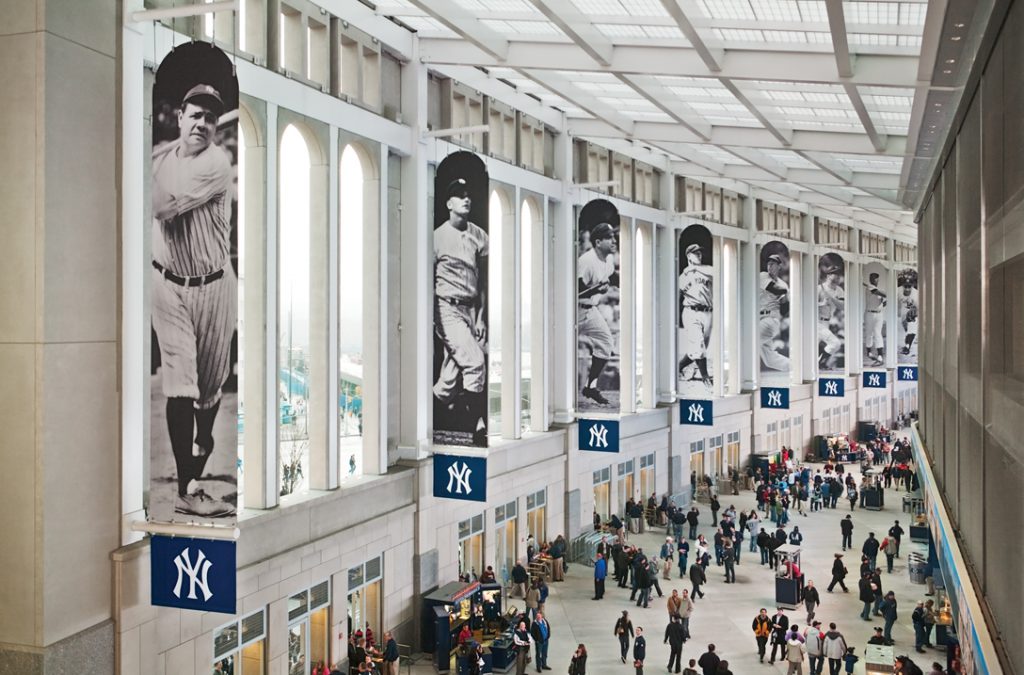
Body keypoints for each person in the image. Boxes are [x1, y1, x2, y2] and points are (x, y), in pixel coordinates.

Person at [152, 83, 238, 518]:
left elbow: (164, 206)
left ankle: (203, 440)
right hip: (166, 284)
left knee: (209, 388)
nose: (202, 123)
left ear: (216, 126)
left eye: (211, 117)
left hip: (214, 286)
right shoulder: (161, 160)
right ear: (180, 117)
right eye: (196, 114)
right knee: (180, 382)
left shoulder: (216, 163)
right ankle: (188, 488)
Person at [433, 177, 489, 445]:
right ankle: (477, 426)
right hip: (447, 308)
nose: (466, 199)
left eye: (468, 195)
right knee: (475, 362)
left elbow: (484, 281)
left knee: (449, 381)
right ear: (449, 203)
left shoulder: (479, 235)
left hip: (470, 308)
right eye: (459, 195)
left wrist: (481, 317)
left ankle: (430, 411)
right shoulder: (437, 237)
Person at [577, 222, 618, 406]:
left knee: (606, 342)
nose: (614, 240)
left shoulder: (609, 261)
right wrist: (597, 290)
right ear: (598, 242)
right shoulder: (586, 261)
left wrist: (606, 287)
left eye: (614, 236)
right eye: (609, 237)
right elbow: (575, 291)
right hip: (573, 311)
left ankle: (590, 387)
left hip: (590, 310)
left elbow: (606, 281)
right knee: (560, 351)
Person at [678, 242, 713, 386]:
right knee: (698, 345)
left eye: (700, 252)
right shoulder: (682, 277)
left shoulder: (708, 269)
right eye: (695, 252)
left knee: (699, 348)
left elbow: (717, 274)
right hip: (691, 311)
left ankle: (678, 367)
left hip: (708, 312)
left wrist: (694, 268)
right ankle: (705, 377)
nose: (699, 254)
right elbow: (676, 296)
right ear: (688, 256)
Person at [759, 252, 791, 371]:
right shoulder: (763, 276)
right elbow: (774, 289)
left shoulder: (783, 284)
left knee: (748, 342)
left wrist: (785, 301)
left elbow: (785, 310)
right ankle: (797, 367)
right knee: (770, 360)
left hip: (770, 320)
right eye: (768, 264)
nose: (770, 266)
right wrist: (786, 292)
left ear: (779, 266)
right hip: (758, 319)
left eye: (773, 264)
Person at [817, 263, 845, 371]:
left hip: (827, 322)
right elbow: (808, 306)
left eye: (839, 274)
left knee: (813, 348)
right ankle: (820, 363)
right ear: (828, 276)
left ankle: (818, 365)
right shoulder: (819, 288)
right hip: (816, 322)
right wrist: (821, 303)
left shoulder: (839, 290)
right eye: (835, 274)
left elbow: (842, 306)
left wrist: (832, 298)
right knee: (835, 343)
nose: (838, 276)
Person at [863, 272, 887, 366]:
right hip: (869, 313)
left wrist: (884, 303)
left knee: (878, 334)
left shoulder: (878, 290)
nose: (873, 279)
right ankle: (869, 352)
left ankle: (880, 356)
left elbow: (883, 303)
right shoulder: (870, 287)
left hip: (879, 314)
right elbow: (881, 293)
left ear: (878, 279)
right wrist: (889, 294)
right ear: (870, 279)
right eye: (871, 278)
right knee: (869, 334)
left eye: (875, 278)